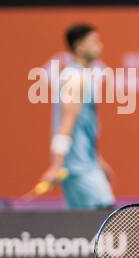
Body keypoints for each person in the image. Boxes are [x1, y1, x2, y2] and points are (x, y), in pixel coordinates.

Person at [39, 24, 115, 210]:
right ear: (79, 46)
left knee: (81, 228)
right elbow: (66, 123)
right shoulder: (75, 79)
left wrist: (97, 159)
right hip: (78, 169)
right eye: (94, 41)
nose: (100, 46)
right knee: (106, 219)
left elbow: (83, 127)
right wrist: (56, 165)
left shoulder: (82, 76)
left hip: (85, 164)